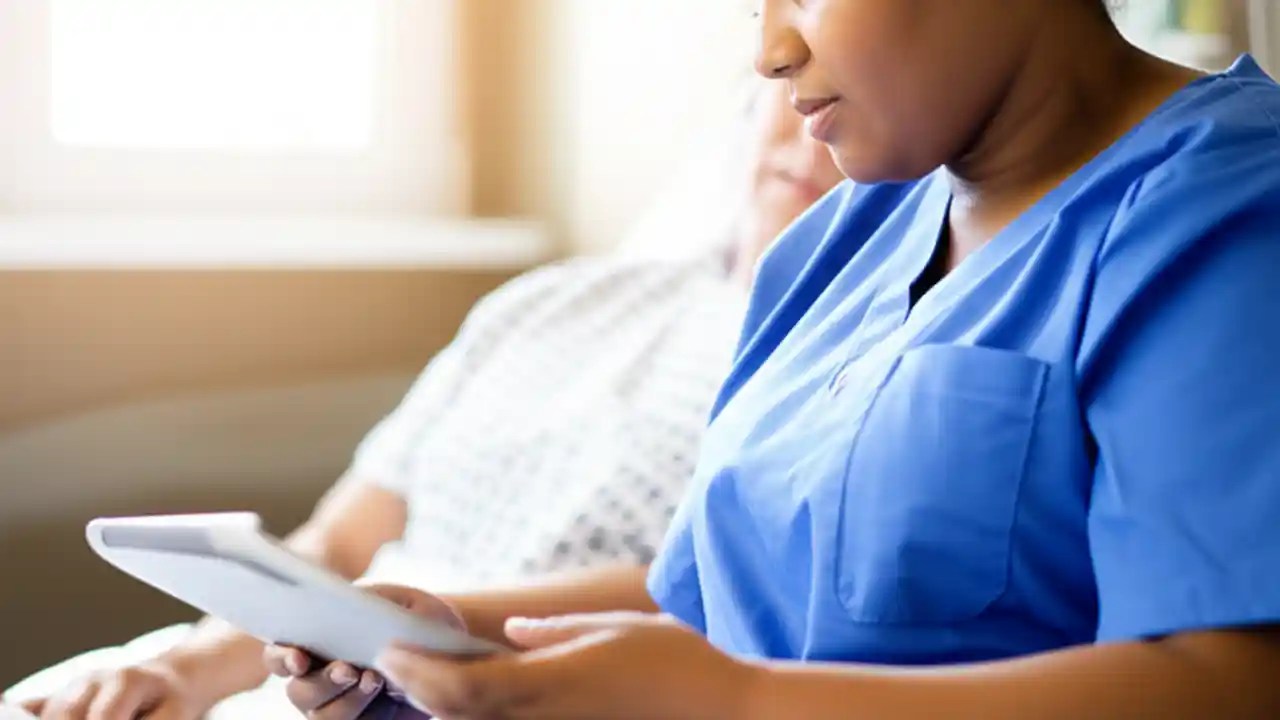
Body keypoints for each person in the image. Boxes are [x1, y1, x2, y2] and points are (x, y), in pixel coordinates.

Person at [265, 1, 1280, 718]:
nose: (768, 50)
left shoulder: (1226, 217)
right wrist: (452, 637)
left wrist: (742, 705)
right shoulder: (838, 242)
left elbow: (1233, 685)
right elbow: (710, 603)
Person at [4, 81, 843, 720]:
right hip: (336, 661)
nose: (805, 130)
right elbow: (338, 539)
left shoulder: (843, 362)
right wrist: (183, 674)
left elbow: (706, 592)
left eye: (838, 102)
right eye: (781, 85)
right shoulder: (547, 304)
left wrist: (438, 632)